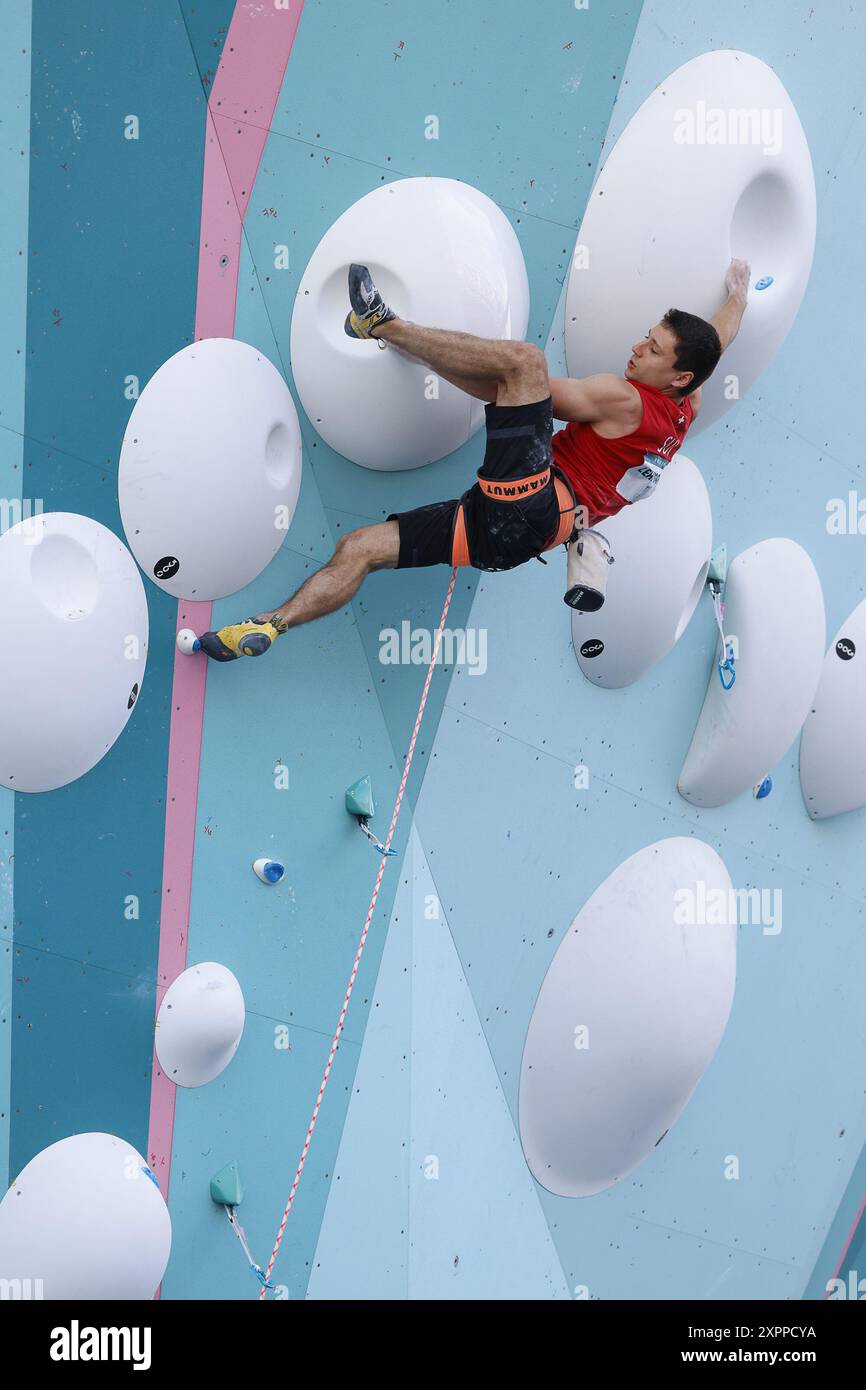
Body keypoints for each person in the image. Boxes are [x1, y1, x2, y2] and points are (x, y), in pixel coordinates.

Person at [199, 260, 749, 662]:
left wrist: (438, 356)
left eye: (652, 349)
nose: (636, 348)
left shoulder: (626, 400)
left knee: (523, 363)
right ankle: (270, 626)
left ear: (677, 377)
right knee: (361, 549)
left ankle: (380, 323)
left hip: (532, 505)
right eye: (645, 338)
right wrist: (739, 297)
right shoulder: (686, 410)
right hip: (509, 539)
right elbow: (717, 342)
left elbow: (523, 385)